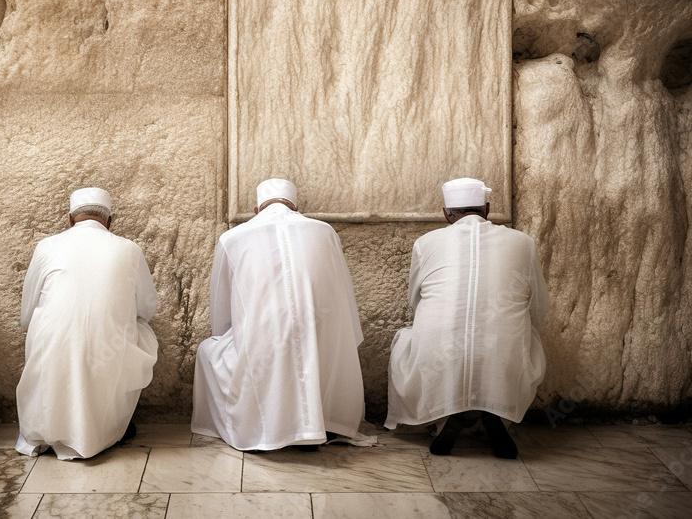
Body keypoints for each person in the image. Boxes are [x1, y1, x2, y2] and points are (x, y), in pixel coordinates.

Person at [192, 178, 367, 451]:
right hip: (322, 342)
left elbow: (222, 310)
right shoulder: (325, 232)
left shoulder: (232, 238)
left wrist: (231, 336)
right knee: (316, 346)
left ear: (256, 209)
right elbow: (343, 295)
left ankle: (271, 426)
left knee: (209, 350)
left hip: (262, 347)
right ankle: (320, 422)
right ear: (295, 205)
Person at [386, 178, 549, 459]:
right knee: (525, 336)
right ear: (487, 208)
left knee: (407, 338)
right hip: (501, 357)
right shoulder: (523, 242)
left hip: (441, 357)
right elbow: (539, 303)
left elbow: (415, 300)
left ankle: (445, 420)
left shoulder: (426, 243)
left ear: (446, 213)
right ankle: (496, 415)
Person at [16, 187, 158, 460]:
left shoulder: (46, 246)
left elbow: (27, 312)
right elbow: (147, 307)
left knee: (47, 329)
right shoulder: (129, 248)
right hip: (107, 348)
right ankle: (110, 422)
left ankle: (49, 423)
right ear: (110, 221)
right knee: (141, 330)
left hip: (53, 346)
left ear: (70, 219)